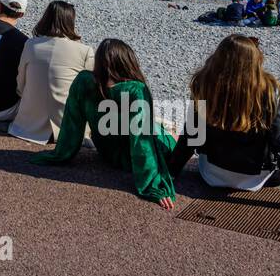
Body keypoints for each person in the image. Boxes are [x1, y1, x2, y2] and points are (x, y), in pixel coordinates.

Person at [168, 35, 280, 221]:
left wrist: (169, 175)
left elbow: (190, 137)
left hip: (211, 173)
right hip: (254, 180)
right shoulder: (268, 90)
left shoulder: (204, 84)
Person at [32, 38, 179, 208]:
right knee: (167, 134)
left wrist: (61, 153)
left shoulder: (83, 81)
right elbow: (142, 142)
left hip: (108, 154)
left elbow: (72, 124)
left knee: (153, 126)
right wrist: (152, 186)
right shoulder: (135, 90)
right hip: (131, 158)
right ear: (128, 62)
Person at [9, 0, 95, 144]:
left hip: (28, 125)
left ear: (46, 18)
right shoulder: (84, 51)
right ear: (70, 21)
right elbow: (90, 92)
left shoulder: (30, 45)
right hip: (68, 126)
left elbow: (20, 85)